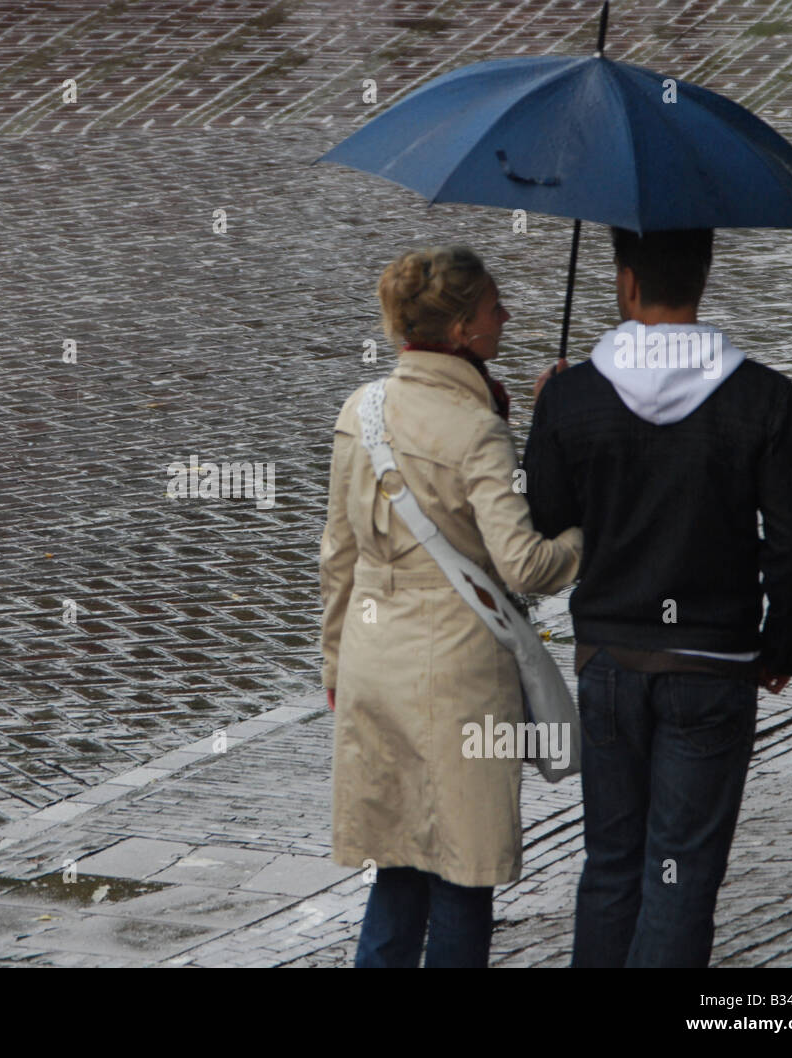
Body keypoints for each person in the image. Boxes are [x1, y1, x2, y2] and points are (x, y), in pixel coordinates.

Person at [523, 227, 792, 968]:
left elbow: (547, 518)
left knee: (611, 863)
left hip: (609, 661)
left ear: (626, 282)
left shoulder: (574, 395)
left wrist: (545, 417)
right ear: (705, 273)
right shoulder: (764, 396)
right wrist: (782, 644)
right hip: (713, 663)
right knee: (680, 873)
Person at [319, 245, 584, 968]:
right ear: (465, 329)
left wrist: (335, 664)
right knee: (464, 870)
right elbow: (524, 564)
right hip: (460, 676)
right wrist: (589, 534)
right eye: (496, 308)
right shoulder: (475, 431)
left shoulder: (361, 409)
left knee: (398, 860)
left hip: (373, 665)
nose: (507, 317)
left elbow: (337, 555)